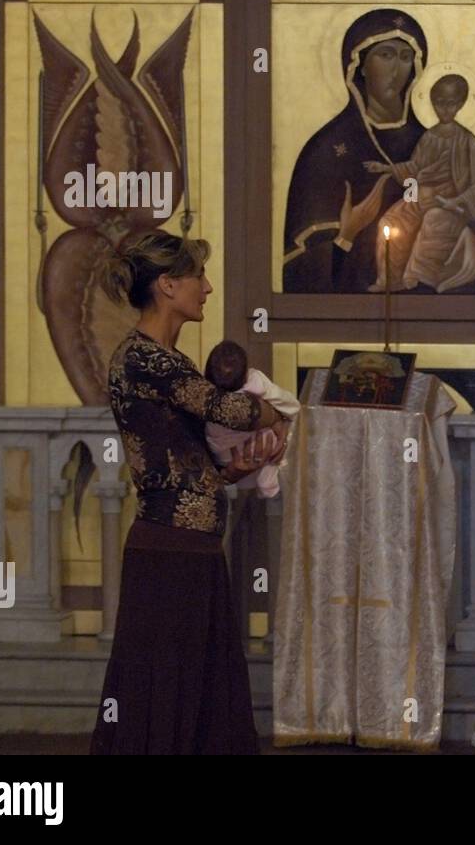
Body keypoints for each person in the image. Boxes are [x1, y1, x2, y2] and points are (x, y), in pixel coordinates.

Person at [92, 231, 291, 754]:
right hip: (168, 550)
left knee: (201, 692)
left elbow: (178, 464)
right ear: (167, 285)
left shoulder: (165, 359)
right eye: (197, 277)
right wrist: (282, 412)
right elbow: (234, 410)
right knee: (165, 691)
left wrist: (230, 473)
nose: (206, 288)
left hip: (190, 547)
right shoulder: (145, 360)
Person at [281, 8, 475, 295]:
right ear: (359, 64)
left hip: (429, 312)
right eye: (385, 55)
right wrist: (347, 234)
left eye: (405, 57)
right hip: (349, 319)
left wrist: (460, 226)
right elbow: (295, 267)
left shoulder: (438, 140)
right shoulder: (325, 150)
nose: (396, 69)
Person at [365, 73, 475, 294]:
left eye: (450, 104)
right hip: (422, 198)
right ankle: (390, 280)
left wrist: (457, 202)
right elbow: (416, 168)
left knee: (434, 219)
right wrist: (388, 169)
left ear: (461, 104)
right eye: (438, 103)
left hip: (450, 205)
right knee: (391, 219)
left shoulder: (467, 141)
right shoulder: (429, 137)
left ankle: (418, 279)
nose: (443, 109)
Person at [203, 340, 301, 499]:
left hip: (221, 452)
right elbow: (286, 401)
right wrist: (288, 415)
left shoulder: (203, 391)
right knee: (278, 440)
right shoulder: (255, 380)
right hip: (259, 448)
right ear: (246, 372)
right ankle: (269, 486)